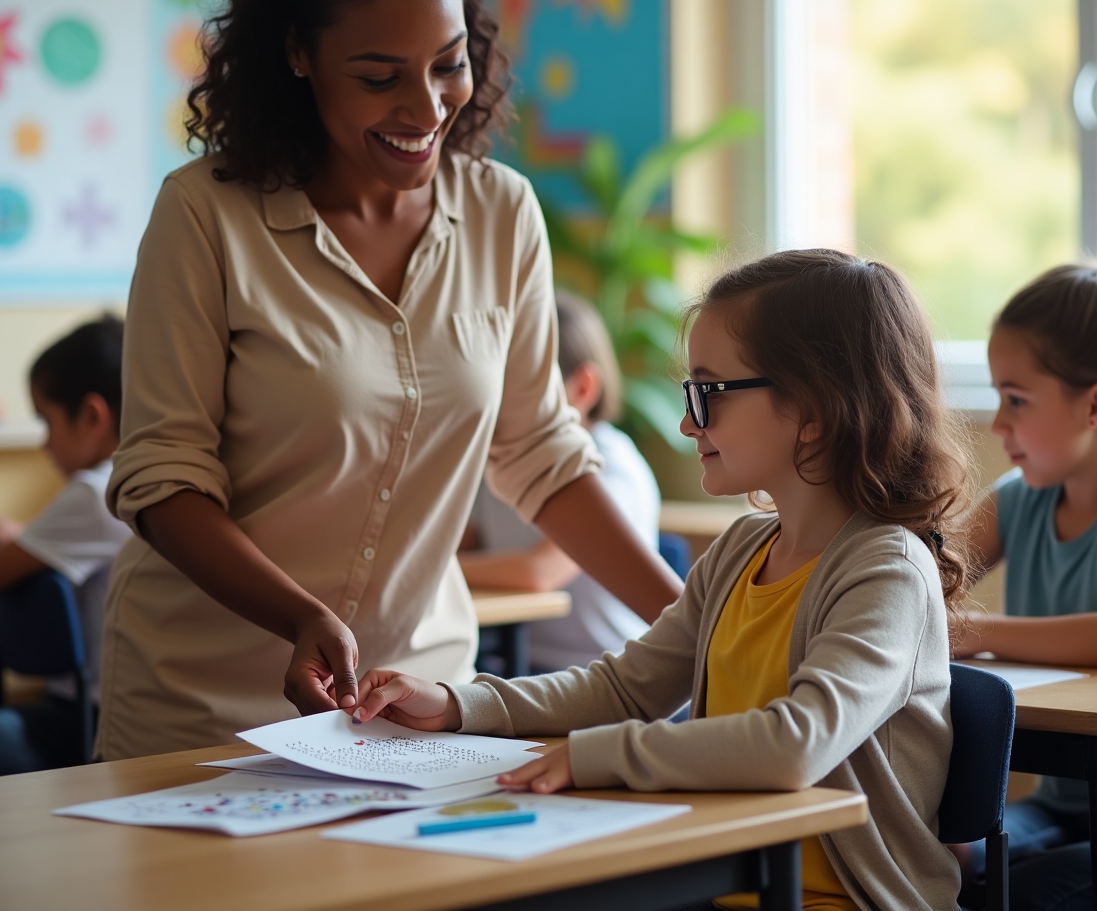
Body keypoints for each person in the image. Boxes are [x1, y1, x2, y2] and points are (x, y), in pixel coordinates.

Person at [99, 0, 681, 761]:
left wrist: (697, 625)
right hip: (202, 709)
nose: (425, 107)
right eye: (378, 77)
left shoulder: (502, 213)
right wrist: (297, 613)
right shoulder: (205, 215)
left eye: (449, 65)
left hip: (415, 707)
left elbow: (541, 455)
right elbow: (162, 479)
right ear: (298, 53)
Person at [350, 249, 974, 911]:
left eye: (708, 394)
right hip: (726, 885)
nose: (686, 423)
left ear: (815, 411)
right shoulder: (740, 550)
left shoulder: (887, 572)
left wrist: (598, 756)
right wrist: (457, 704)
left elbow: (797, 744)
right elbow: (623, 688)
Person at [952, 263, 1097, 911]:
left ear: (1092, 403)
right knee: (939, 860)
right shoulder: (1018, 500)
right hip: (1057, 805)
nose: (997, 426)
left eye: (1016, 399)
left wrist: (978, 633)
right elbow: (926, 578)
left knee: (1032, 896)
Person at [461, 289, 662, 672]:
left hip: (617, 673)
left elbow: (537, 573)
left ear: (583, 387)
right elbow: (461, 542)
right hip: (520, 667)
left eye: (526, 388)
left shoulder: (611, 464)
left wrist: (443, 572)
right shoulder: (497, 460)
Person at [0, 317, 129, 776]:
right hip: (94, 711)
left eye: (46, 420)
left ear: (92, 416)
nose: (43, 441)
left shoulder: (94, 491)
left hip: (90, 723)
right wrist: (22, 534)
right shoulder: (129, 485)